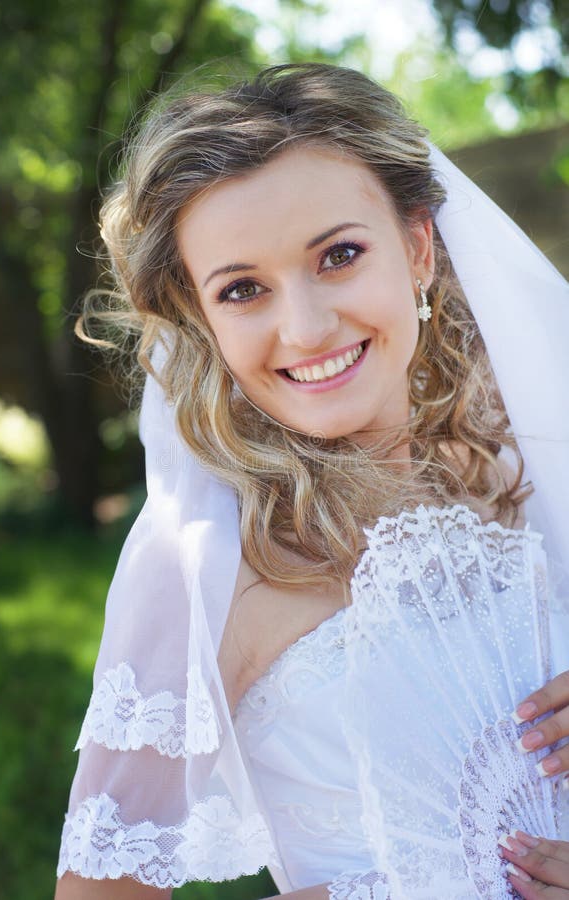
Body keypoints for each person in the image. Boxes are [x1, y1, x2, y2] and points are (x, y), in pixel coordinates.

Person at [54, 63, 569, 899]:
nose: (305, 327)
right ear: (203, 320)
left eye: (338, 255)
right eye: (243, 289)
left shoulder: (506, 478)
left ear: (416, 249)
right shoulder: (204, 567)